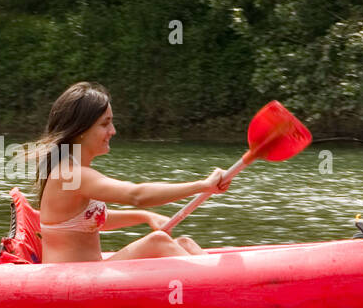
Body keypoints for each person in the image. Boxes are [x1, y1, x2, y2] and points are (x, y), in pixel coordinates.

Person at [34, 82, 230, 264]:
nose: (113, 131)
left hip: (89, 273)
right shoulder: (71, 174)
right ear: (81, 130)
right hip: (70, 281)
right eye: (105, 124)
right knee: (157, 241)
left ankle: (223, 286)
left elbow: (90, 219)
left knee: (184, 242)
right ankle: (223, 290)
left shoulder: (74, 172)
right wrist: (203, 185)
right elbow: (136, 195)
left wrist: (144, 216)